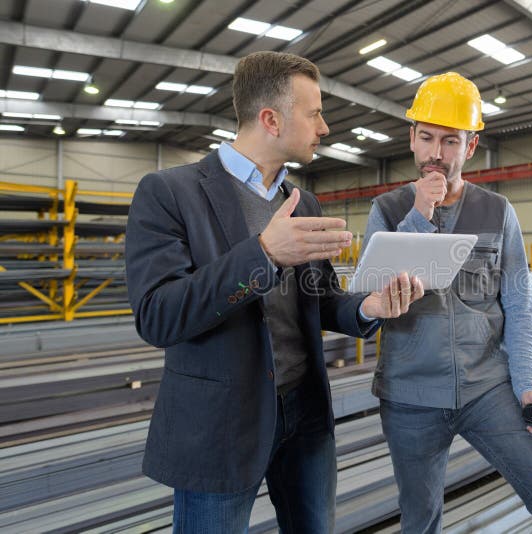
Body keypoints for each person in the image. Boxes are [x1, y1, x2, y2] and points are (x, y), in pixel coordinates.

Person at [125, 51, 423, 533]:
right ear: (270, 119)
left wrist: (367, 305)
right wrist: (262, 254)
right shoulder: (169, 193)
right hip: (221, 422)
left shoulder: (300, 201)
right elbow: (158, 315)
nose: (324, 127)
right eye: (314, 113)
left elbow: (320, 296)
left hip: (303, 413)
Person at [364, 72, 532, 533]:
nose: (436, 153)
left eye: (450, 142)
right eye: (427, 137)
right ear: (411, 139)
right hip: (410, 395)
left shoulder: (497, 210)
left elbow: (519, 302)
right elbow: (370, 297)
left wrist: (527, 383)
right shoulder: (387, 211)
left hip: (487, 388)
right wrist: (419, 216)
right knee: (420, 522)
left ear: (470, 148)